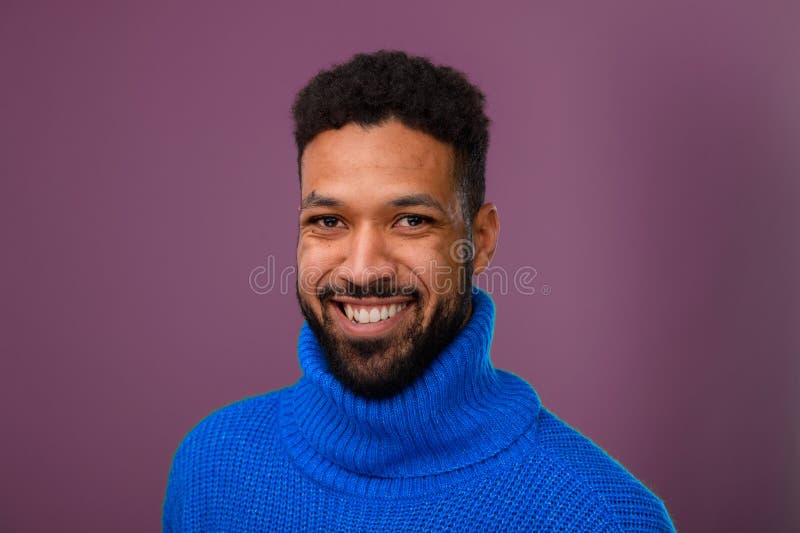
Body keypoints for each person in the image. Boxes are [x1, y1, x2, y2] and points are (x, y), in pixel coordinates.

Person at [163, 50, 675, 532]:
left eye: (411, 220)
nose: (363, 271)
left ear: (481, 240)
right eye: (328, 221)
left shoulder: (601, 516)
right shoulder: (209, 467)